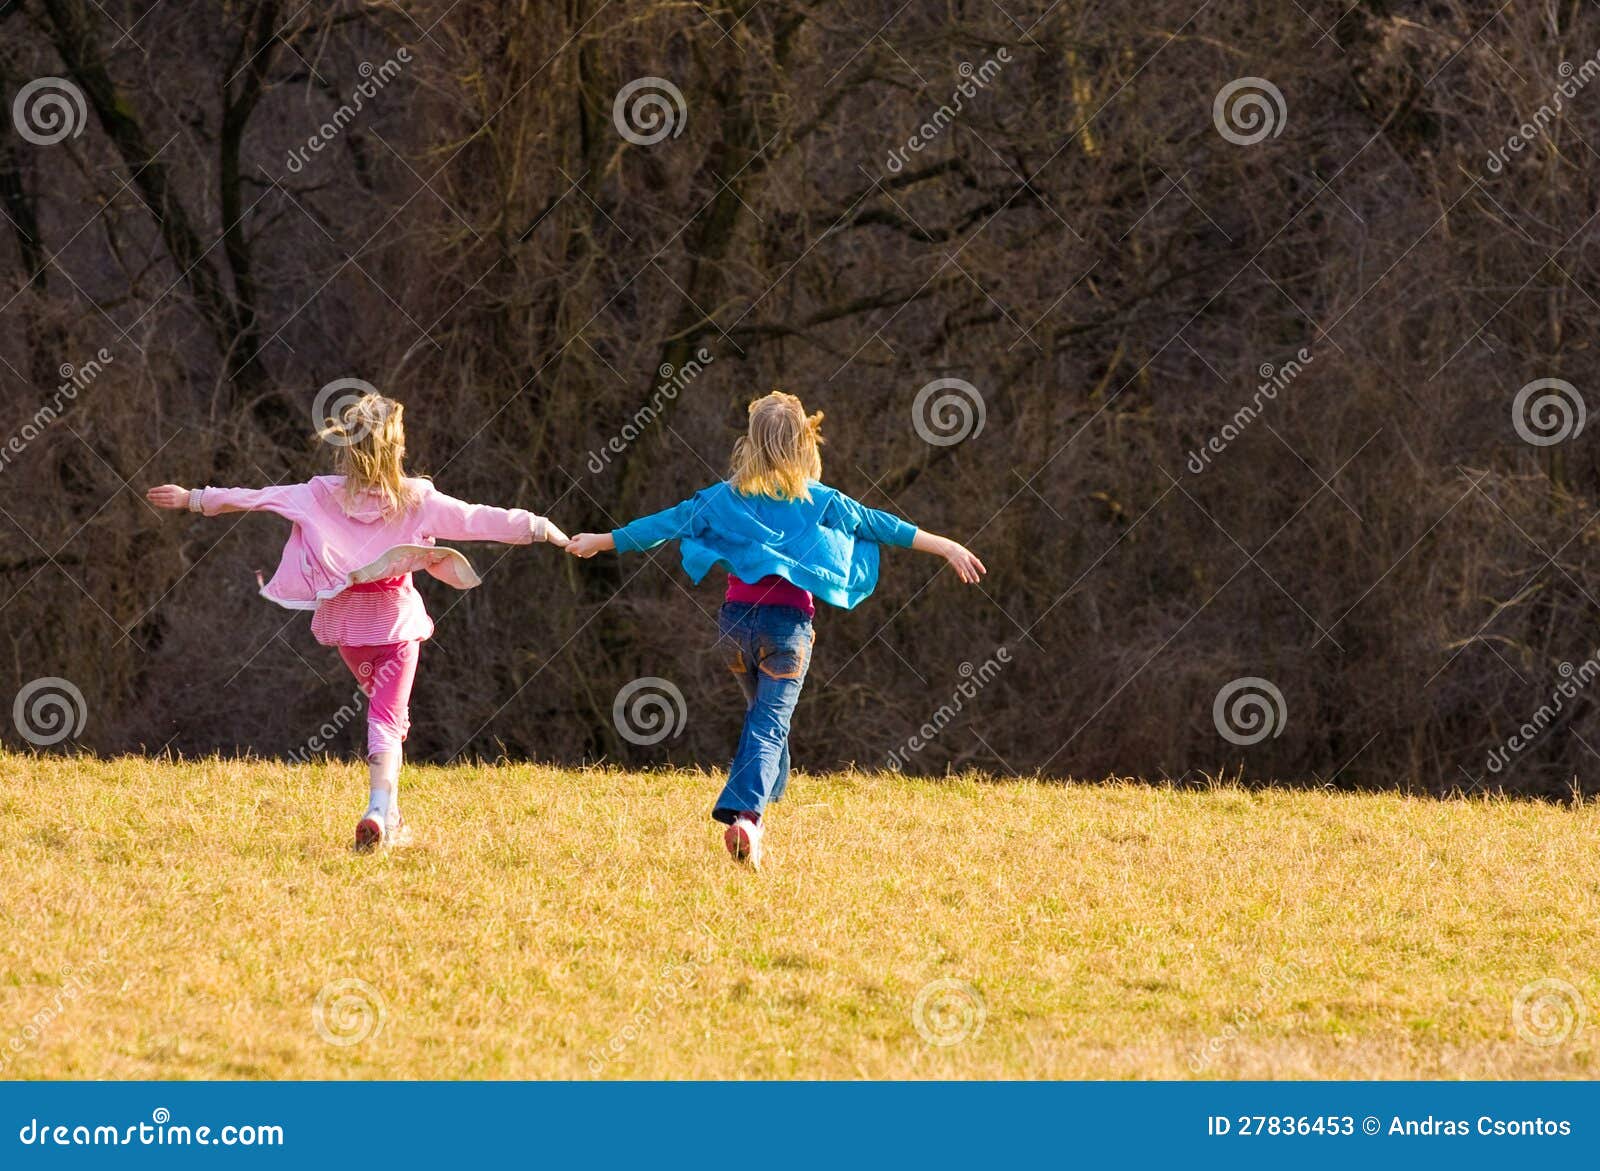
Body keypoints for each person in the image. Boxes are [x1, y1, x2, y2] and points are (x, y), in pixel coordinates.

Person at [565, 391, 985, 869]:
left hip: (734, 629)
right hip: (787, 633)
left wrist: (601, 541)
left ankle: (761, 802)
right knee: (768, 725)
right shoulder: (822, 501)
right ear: (805, 442)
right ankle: (747, 818)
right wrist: (946, 546)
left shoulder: (724, 497)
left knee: (764, 720)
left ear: (752, 442)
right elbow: (882, 525)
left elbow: (666, 523)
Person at [146, 392, 568, 849]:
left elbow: (256, 499)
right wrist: (540, 527)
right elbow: (478, 520)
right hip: (394, 626)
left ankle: (392, 819)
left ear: (347, 449)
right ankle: (377, 810)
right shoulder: (417, 498)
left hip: (348, 629)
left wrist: (194, 498)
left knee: (390, 717)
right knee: (388, 718)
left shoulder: (317, 494)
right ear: (396, 449)